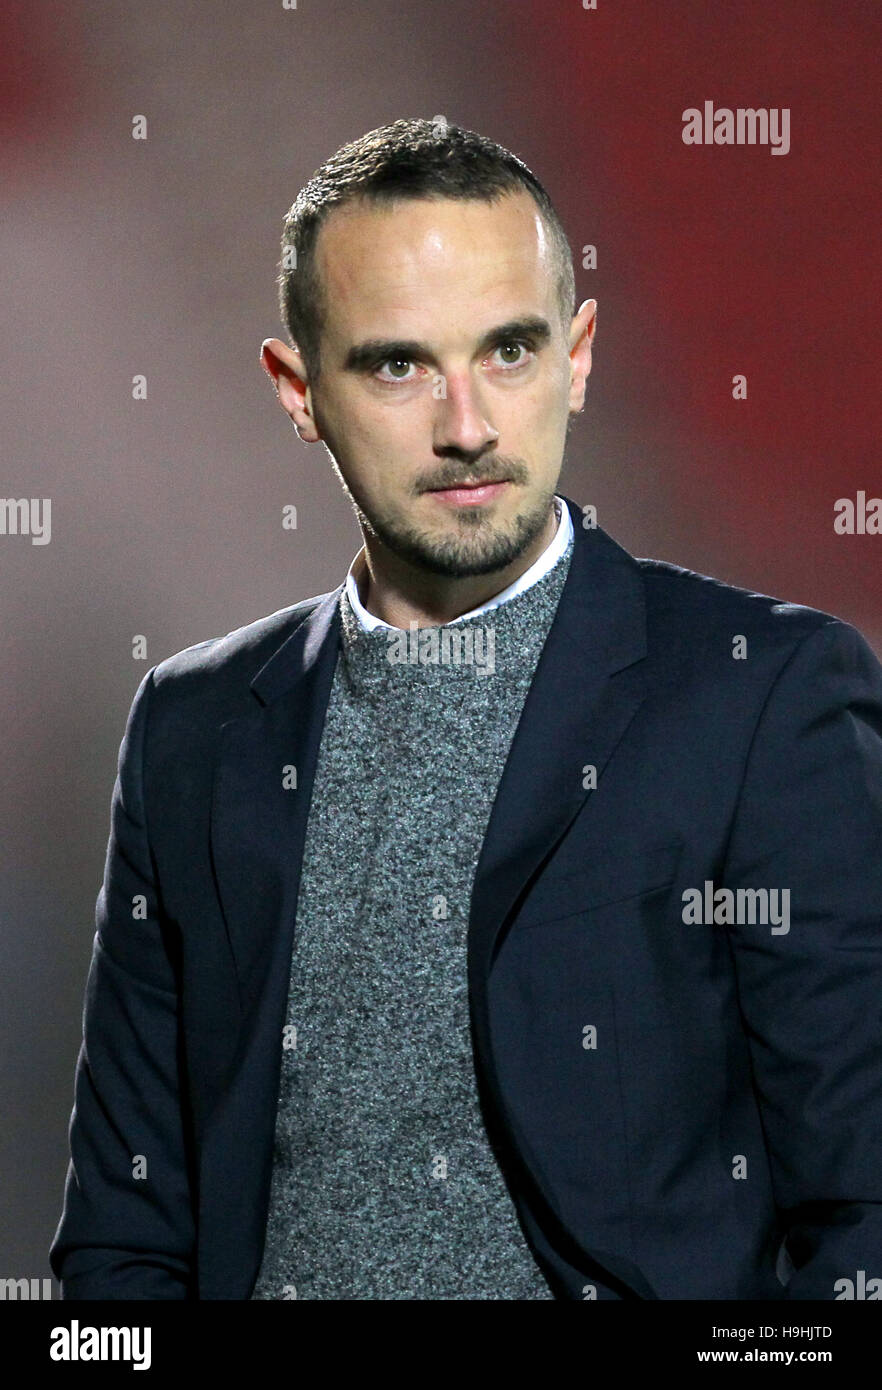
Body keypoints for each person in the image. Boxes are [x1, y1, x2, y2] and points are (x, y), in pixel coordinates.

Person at [50, 117, 882, 1300]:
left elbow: (866, 1209)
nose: (467, 425)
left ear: (580, 354)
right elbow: (125, 1234)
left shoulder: (763, 693)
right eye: (398, 364)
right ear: (297, 389)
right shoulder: (194, 729)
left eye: (509, 350)